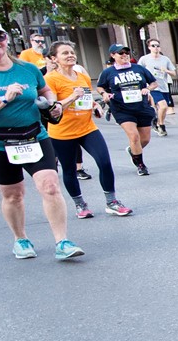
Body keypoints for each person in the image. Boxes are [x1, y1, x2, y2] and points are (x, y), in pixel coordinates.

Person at [0, 20, 81, 261]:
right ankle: (21, 239)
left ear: (7, 39)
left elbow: (45, 91)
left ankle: (62, 242)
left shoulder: (27, 68)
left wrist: (52, 105)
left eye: (0, 36)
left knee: (50, 185)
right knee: (13, 194)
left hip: (34, 135)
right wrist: (4, 99)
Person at [44, 42, 131, 219]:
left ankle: (112, 202)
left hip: (87, 128)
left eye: (71, 52)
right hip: (62, 132)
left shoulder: (81, 76)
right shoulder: (50, 79)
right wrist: (72, 96)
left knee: (104, 162)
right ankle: (80, 205)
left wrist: (94, 106)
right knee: (69, 170)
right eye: (64, 53)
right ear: (54, 59)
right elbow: (53, 108)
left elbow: (86, 98)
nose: (70, 55)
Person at [96, 43, 157, 176]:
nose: (124, 55)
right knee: (134, 136)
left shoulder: (138, 69)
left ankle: (133, 151)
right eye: (121, 53)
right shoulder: (108, 72)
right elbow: (100, 86)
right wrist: (104, 94)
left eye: (126, 52)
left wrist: (148, 88)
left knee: (145, 139)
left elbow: (154, 82)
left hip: (142, 107)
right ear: (113, 55)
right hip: (122, 108)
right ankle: (140, 165)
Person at [138, 38, 176, 136]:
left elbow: (174, 73)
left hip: (164, 86)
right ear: (149, 47)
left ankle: (158, 122)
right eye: (153, 46)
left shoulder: (165, 59)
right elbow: (138, 71)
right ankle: (161, 126)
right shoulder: (144, 59)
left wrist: (166, 71)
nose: (156, 48)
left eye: (157, 46)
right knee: (162, 105)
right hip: (152, 87)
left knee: (164, 108)